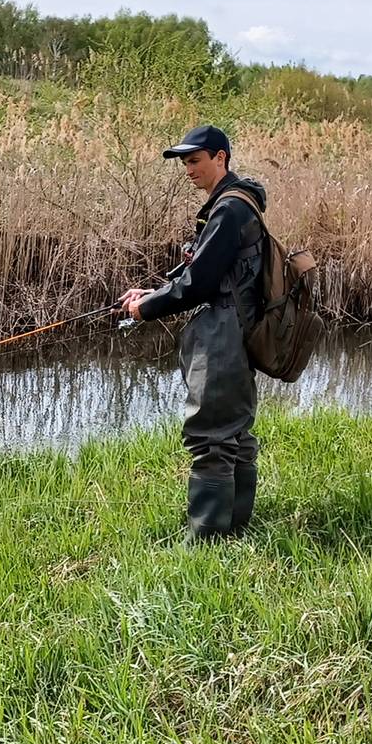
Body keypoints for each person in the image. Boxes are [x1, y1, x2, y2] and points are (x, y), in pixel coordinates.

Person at [118, 124, 268, 541]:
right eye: (185, 162)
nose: (188, 169)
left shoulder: (229, 209)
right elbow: (211, 274)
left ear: (221, 158)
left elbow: (200, 284)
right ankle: (235, 527)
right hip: (236, 323)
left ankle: (205, 539)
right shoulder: (237, 202)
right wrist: (154, 291)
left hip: (224, 330)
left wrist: (147, 308)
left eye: (195, 160)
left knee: (213, 434)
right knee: (234, 430)